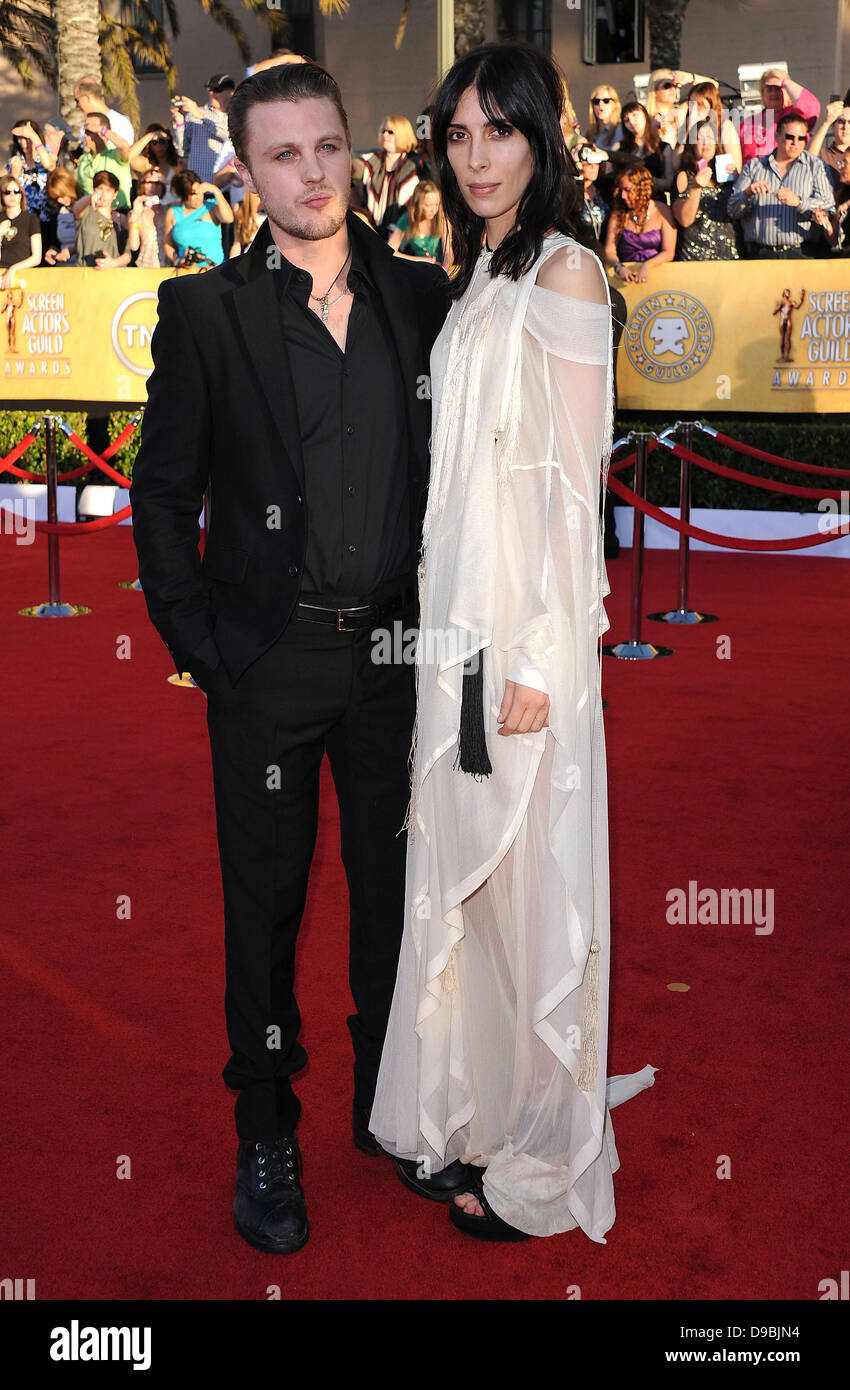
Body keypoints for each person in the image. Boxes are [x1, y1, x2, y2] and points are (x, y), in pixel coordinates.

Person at [130, 59, 454, 1257]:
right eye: (283, 155)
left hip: (394, 661)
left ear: (353, 150)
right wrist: (205, 648)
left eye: (327, 147)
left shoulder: (422, 297)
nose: (311, 174)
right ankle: (264, 1129)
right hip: (266, 666)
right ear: (246, 170)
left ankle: (391, 1099)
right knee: (263, 913)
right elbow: (160, 498)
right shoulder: (207, 313)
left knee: (395, 899)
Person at [369, 39, 655, 1243]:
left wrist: (541, 657)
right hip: (455, 634)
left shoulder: (571, 275)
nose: (476, 155)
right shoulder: (479, 268)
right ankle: (476, 1109)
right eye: (458, 133)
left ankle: (546, 1148)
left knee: (531, 885)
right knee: (466, 880)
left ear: (541, 139)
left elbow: (567, 484)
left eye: (500, 130)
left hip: (523, 636)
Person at [727, 111, 835, 258]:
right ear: (777, 136)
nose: (795, 142)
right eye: (790, 137)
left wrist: (799, 202)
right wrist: (747, 193)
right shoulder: (754, 167)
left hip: (801, 252)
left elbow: (828, 205)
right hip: (760, 254)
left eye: (801, 138)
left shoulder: (815, 166)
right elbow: (732, 210)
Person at [672, 119, 742, 259]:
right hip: (695, 259)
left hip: (730, 257)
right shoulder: (685, 176)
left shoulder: (726, 176)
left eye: (711, 138)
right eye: (700, 138)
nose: (706, 142)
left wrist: (738, 182)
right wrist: (696, 188)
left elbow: (741, 212)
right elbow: (685, 220)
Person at [603, 163, 677, 280]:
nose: (623, 195)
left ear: (641, 189)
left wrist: (648, 265)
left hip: (656, 275)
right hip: (626, 276)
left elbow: (668, 252)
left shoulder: (662, 210)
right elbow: (609, 249)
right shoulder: (619, 214)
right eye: (621, 190)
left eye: (627, 190)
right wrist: (618, 267)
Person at [739, 69, 820, 164]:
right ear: (762, 92)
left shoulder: (794, 116)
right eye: (769, 89)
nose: (773, 93)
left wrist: (785, 82)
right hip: (752, 175)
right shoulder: (748, 123)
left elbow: (811, 107)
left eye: (778, 89)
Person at [360, 115, 420, 237]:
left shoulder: (415, 164)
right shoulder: (372, 160)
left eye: (390, 132)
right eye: (383, 131)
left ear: (403, 134)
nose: (385, 135)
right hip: (373, 232)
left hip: (404, 235)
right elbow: (352, 167)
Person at [171, 75, 235, 185]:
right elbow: (182, 151)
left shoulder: (236, 116)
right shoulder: (194, 114)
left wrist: (202, 116)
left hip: (226, 187)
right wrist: (179, 121)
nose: (211, 93)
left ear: (230, 92)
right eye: (210, 90)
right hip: (198, 188)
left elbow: (230, 136)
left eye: (217, 90)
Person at [164, 169, 233, 267]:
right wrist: (177, 260)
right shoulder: (173, 212)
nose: (198, 196)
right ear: (183, 194)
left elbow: (229, 218)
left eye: (201, 192)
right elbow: (167, 244)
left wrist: (215, 190)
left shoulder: (211, 206)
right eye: (193, 193)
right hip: (187, 272)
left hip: (213, 270)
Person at [673, 82, 742, 174]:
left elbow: (737, 167)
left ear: (712, 105)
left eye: (700, 105)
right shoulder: (688, 128)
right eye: (691, 105)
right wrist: (687, 129)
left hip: (719, 184)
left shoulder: (725, 126)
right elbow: (676, 165)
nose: (695, 110)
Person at [614, 102, 674, 195]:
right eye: (627, 120)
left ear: (645, 115)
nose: (631, 122)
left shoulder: (663, 148)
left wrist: (646, 180)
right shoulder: (619, 147)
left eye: (635, 115)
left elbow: (670, 183)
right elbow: (611, 177)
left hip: (655, 201)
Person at [75, 113, 132, 211]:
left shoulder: (115, 154)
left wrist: (101, 129)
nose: (85, 135)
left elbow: (124, 146)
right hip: (91, 215)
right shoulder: (84, 159)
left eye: (89, 131)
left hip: (116, 215)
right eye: (85, 130)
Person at [75, 169, 130, 267]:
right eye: (100, 188)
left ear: (115, 194)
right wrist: (89, 198)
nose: (103, 194)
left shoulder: (121, 218)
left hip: (113, 276)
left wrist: (113, 263)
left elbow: (127, 254)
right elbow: (76, 209)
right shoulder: (86, 212)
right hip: (85, 274)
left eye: (108, 190)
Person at [387, 179, 449, 264]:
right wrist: (421, 260)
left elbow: (449, 253)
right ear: (418, 204)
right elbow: (390, 251)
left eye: (436, 204)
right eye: (428, 205)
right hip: (419, 269)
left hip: (441, 269)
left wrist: (444, 269)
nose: (433, 210)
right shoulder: (407, 220)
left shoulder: (442, 218)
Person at [0, 172, 41, 287]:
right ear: (2, 196)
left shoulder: (31, 219)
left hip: (24, 275)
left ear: (21, 194)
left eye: (16, 191)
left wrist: (13, 269)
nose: (12, 195)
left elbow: (36, 258)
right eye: (7, 192)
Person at [129, 125, 183, 206]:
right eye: (154, 143)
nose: (159, 146)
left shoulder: (177, 165)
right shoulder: (146, 164)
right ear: (149, 145)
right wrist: (150, 135)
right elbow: (128, 157)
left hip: (172, 209)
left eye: (162, 141)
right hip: (151, 211)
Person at [73, 78, 135, 148]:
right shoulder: (85, 125)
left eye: (77, 100)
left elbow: (126, 154)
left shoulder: (120, 123)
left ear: (87, 97)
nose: (76, 105)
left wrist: (103, 131)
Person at [127, 173, 169, 267]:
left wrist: (168, 181)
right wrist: (135, 216)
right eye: (149, 182)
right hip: (145, 267)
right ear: (141, 185)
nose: (153, 186)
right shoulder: (137, 212)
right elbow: (134, 246)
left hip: (167, 268)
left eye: (157, 182)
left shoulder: (169, 210)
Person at [808, 100, 850, 191]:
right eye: (841, 121)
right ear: (832, 126)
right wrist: (826, 122)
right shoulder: (823, 154)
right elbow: (809, 158)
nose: (845, 126)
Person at [43, 167, 80, 265]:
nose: (60, 200)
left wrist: (71, 250)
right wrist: (52, 251)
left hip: (83, 265)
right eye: (56, 198)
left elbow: (91, 241)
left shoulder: (86, 208)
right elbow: (55, 242)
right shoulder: (58, 212)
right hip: (63, 267)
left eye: (62, 196)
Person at [586, 85, 622, 152]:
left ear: (615, 105)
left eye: (606, 101)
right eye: (596, 101)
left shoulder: (620, 129)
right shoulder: (589, 133)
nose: (600, 104)